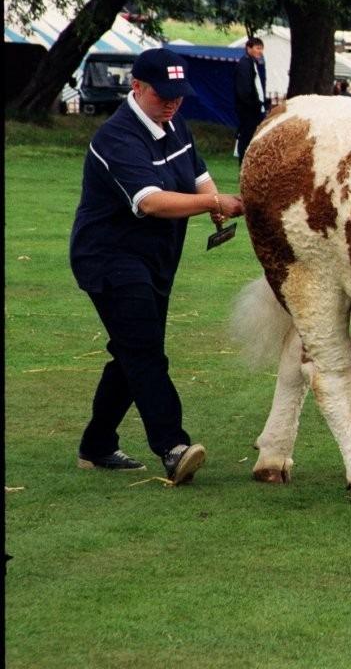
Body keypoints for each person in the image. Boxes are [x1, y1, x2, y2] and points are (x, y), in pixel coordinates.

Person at [70, 48, 246, 484]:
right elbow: (150, 202)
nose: (172, 103)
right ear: (137, 87)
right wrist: (213, 202)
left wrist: (214, 202)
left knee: (130, 352)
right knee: (145, 351)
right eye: (163, 95)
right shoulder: (117, 138)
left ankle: (97, 444)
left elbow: (197, 174)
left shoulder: (174, 123)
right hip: (110, 258)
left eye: (178, 95)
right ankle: (172, 446)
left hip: (157, 259)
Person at [234, 36, 267, 164]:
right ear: (248, 48)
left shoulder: (253, 63)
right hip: (249, 111)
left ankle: (252, 163)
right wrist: (255, 105)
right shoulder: (244, 64)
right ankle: (244, 164)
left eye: (261, 49)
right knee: (247, 138)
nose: (260, 51)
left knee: (254, 138)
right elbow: (244, 91)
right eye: (258, 48)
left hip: (255, 109)